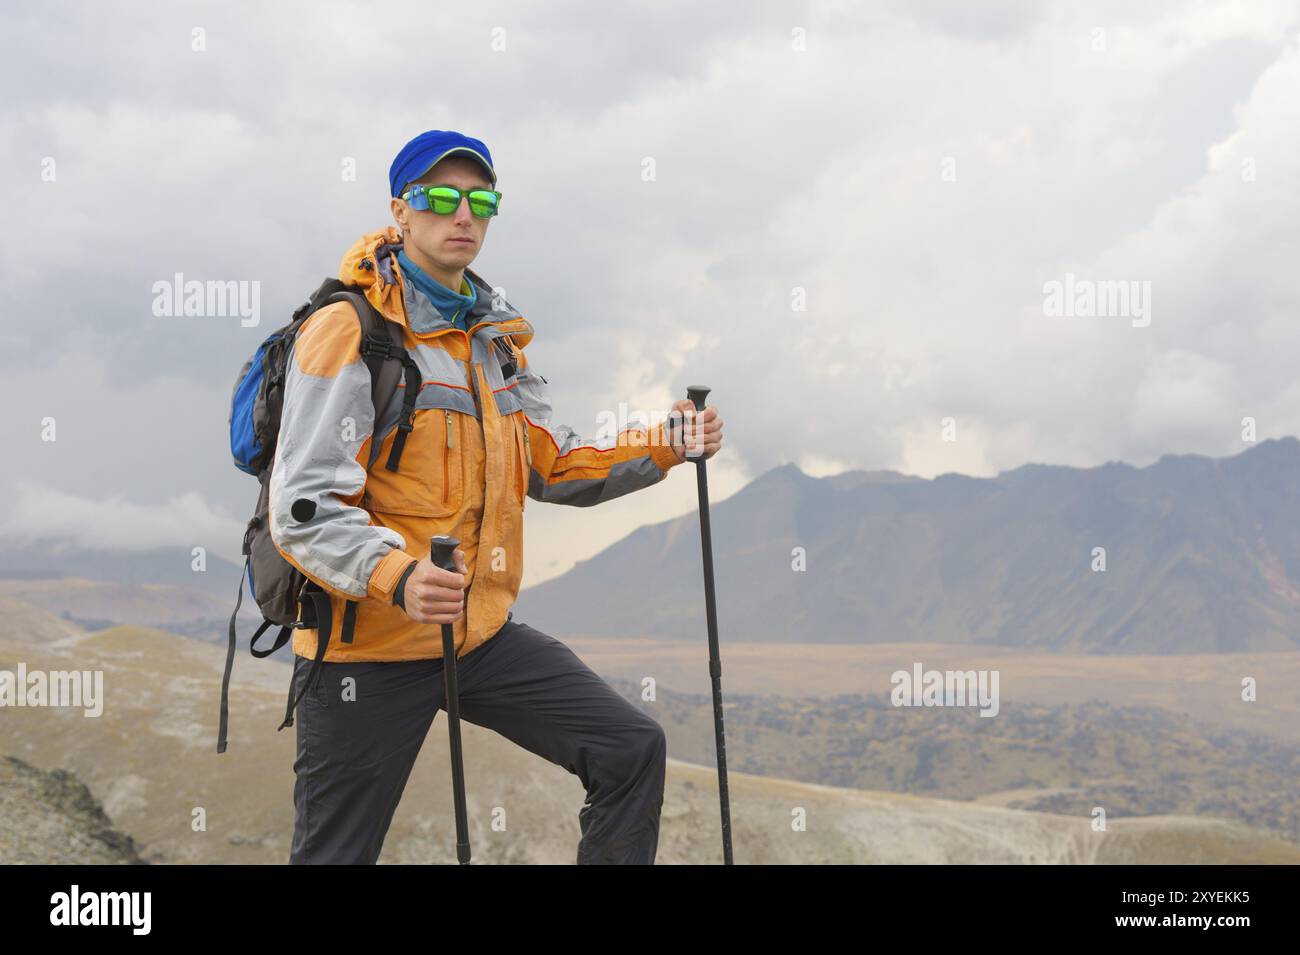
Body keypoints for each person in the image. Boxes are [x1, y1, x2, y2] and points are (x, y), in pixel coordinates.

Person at [268, 129, 725, 864]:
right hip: (365, 648)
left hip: (475, 635)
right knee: (334, 855)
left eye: (481, 201)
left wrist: (667, 442)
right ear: (400, 210)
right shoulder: (351, 331)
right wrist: (401, 576)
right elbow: (302, 505)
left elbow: (551, 463)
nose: (463, 216)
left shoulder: (494, 341)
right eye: (440, 198)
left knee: (630, 747)